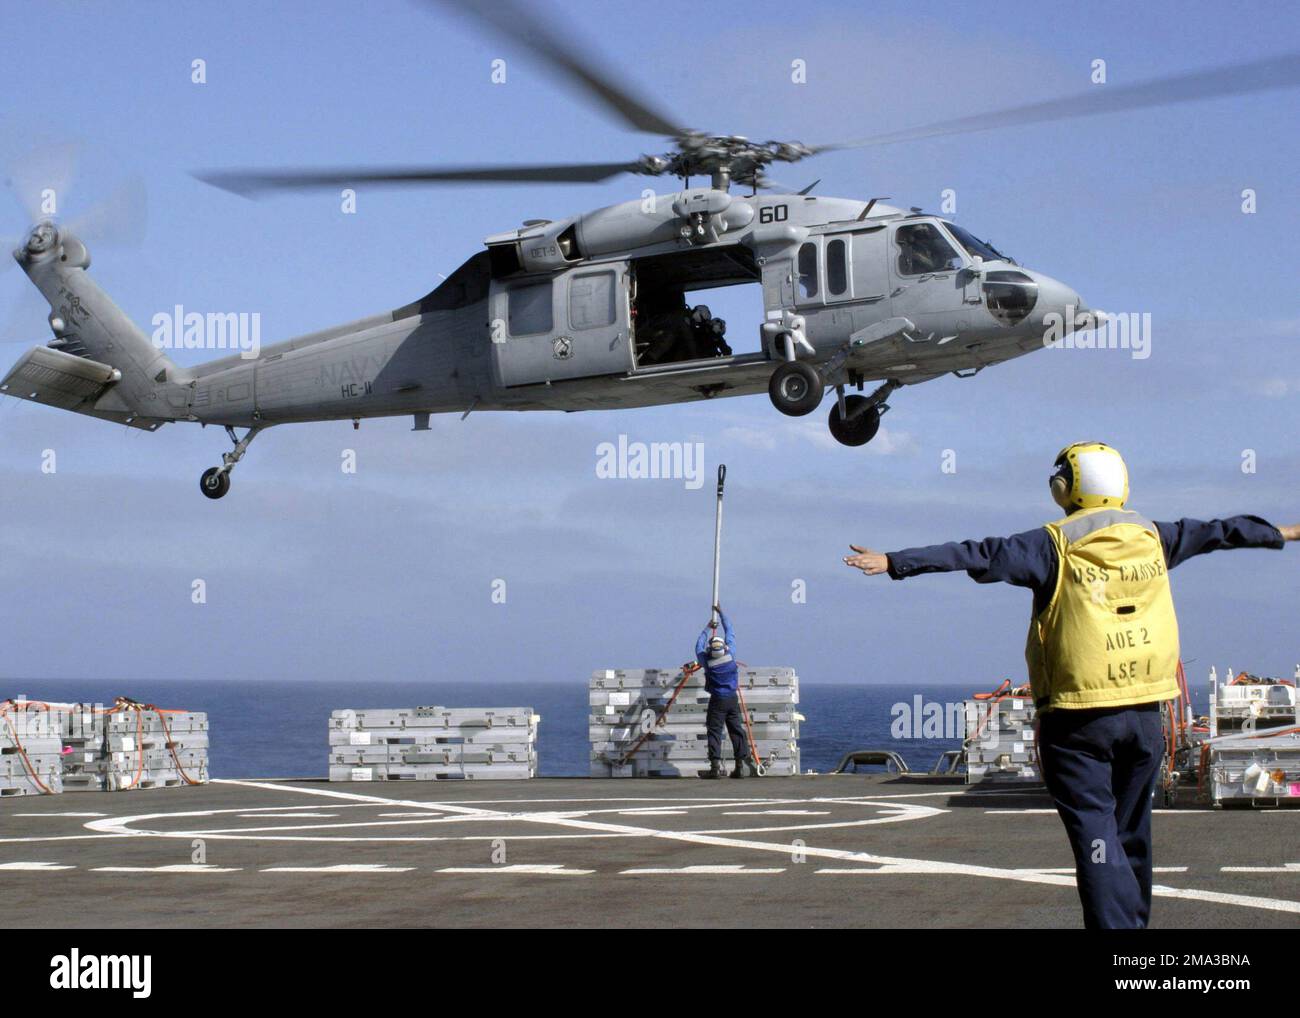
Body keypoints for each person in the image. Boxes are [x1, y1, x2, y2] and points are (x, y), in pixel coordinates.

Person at [842, 441, 1297, 929]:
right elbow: (1219, 533)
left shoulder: (1050, 544)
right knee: (1130, 836)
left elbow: (975, 553)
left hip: (1078, 722)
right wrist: (1286, 533)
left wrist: (895, 561)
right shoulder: (1153, 536)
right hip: (1145, 717)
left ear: (1065, 488)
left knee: (1096, 842)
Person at [694, 606, 757, 780]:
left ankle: (715, 768)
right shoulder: (732, 656)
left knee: (714, 731)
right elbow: (730, 631)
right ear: (724, 648)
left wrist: (708, 627)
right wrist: (721, 613)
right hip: (732, 699)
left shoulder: (707, 662)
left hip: (717, 700)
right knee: (736, 731)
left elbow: (698, 645)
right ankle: (739, 767)